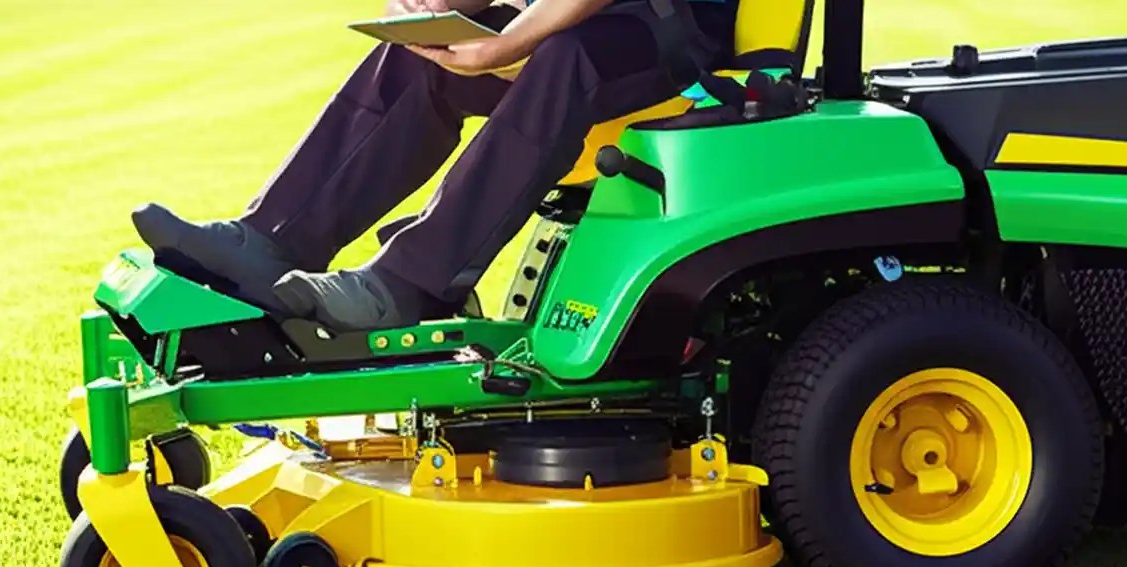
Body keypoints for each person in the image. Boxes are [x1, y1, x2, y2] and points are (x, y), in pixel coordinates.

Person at [132, 0, 737, 332]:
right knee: (422, 53)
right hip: (569, 17)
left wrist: (505, 45)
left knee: (561, 58)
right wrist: (438, 8)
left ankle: (408, 284)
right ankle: (271, 241)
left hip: (671, 27)